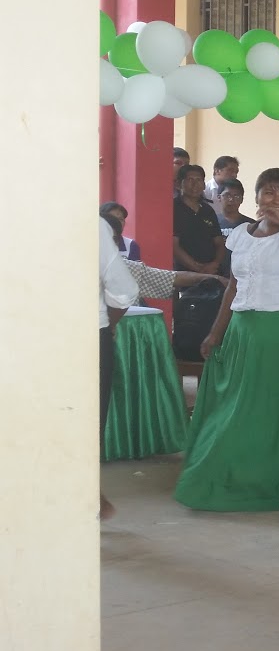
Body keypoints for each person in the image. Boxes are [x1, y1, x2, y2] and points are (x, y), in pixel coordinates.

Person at [175, 168, 279, 514]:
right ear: (256, 198)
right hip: (245, 331)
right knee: (238, 409)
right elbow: (235, 286)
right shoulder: (242, 234)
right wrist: (216, 332)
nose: (276, 199)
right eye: (268, 192)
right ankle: (238, 477)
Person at [99, 215, 140, 520]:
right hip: (84, 335)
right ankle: (86, 495)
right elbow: (123, 290)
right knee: (86, 424)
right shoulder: (91, 225)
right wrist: (110, 324)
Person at [173, 164, 226, 276]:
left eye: (199, 180)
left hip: (211, 272)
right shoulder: (173, 208)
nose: (195, 184)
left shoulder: (208, 210)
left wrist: (215, 264)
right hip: (183, 274)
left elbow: (219, 243)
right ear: (178, 184)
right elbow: (174, 245)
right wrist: (198, 268)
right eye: (190, 180)